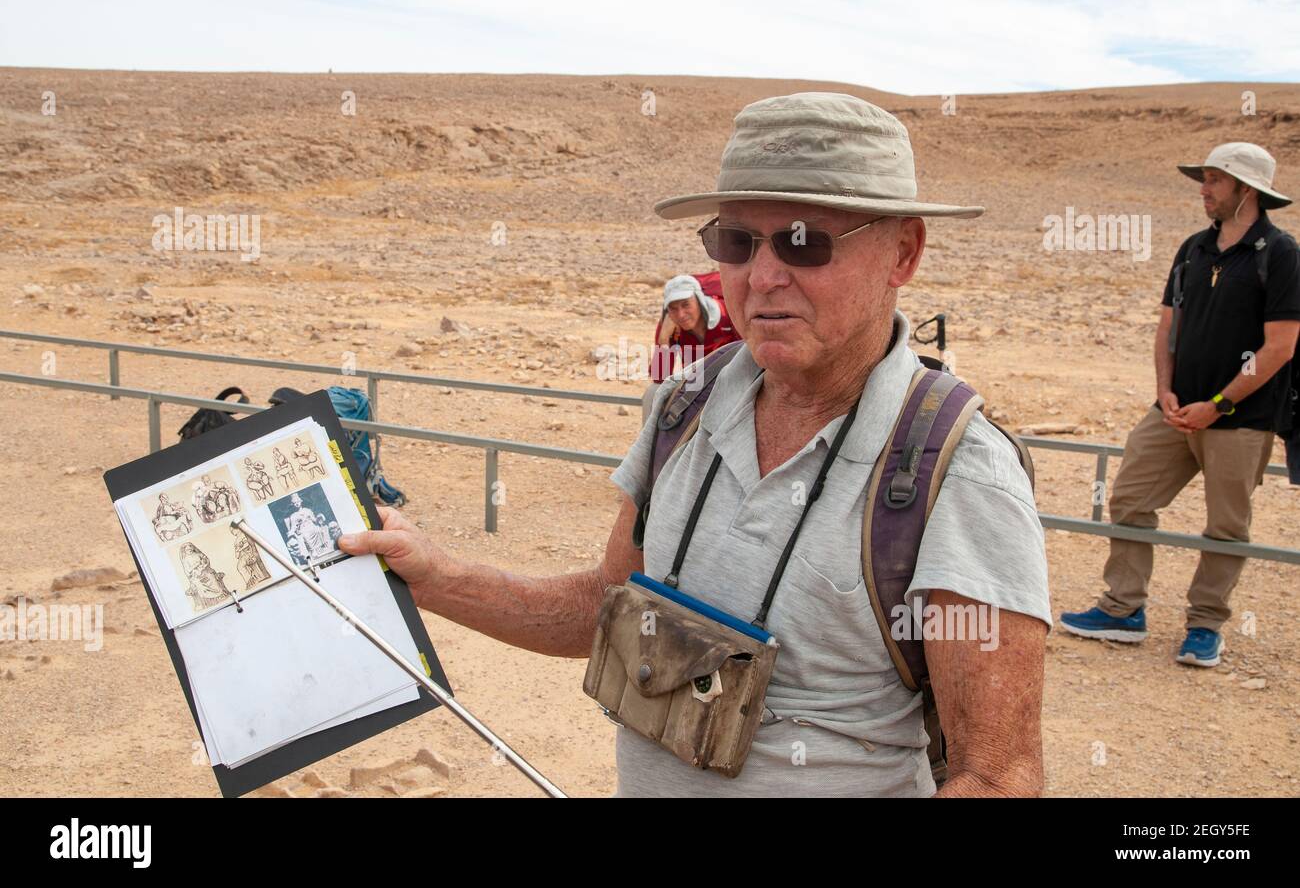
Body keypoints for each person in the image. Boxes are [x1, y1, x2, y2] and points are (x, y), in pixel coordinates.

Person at [340, 92, 1051, 797]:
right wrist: (433, 576)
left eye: (805, 241)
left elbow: (997, 777)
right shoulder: (688, 401)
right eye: (736, 242)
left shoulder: (956, 468)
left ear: (904, 252)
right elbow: (607, 609)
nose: (762, 275)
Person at [1061, 142, 1300, 667]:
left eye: (1215, 179)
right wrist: (1165, 391)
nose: (1204, 189)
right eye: (1206, 178)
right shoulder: (1193, 248)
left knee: (1226, 526)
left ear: (1247, 190)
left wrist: (1217, 404)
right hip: (1171, 411)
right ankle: (1123, 609)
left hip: (1240, 420)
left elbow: (1280, 345)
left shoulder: (1280, 254)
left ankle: (1205, 625)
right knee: (1129, 498)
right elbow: (1169, 325)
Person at [648, 273, 741, 383]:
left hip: (734, 381)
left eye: (686, 305)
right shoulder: (670, 326)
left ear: (699, 300)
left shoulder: (728, 314)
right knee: (652, 393)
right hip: (697, 385)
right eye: (673, 308)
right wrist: (663, 341)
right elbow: (659, 378)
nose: (681, 315)